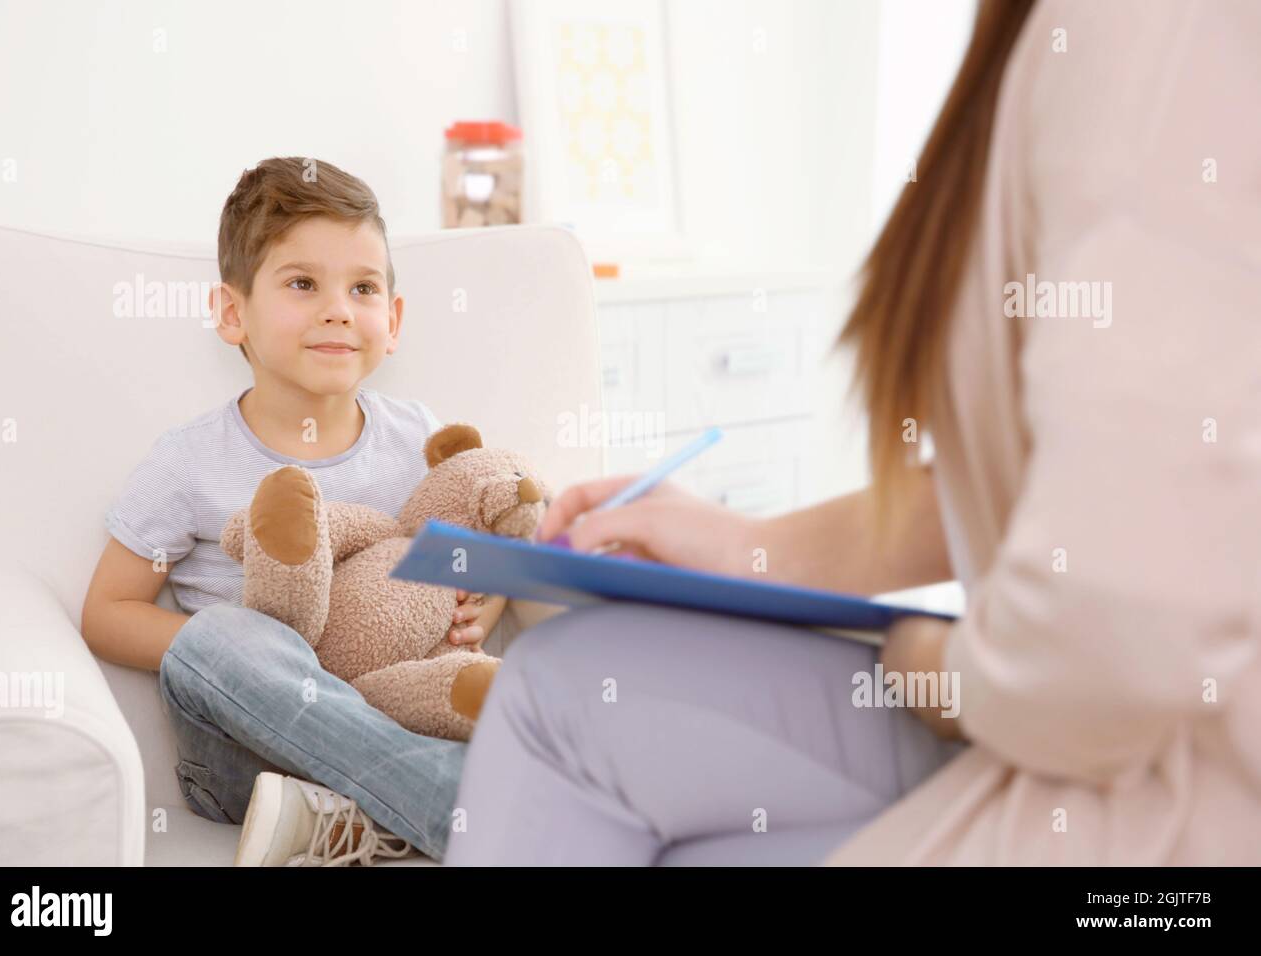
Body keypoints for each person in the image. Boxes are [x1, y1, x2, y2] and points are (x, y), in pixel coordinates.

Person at [444, 0, 1261, 865]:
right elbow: (1068, 479)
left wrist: (932, 660)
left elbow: (1116, 632)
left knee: (618, 770)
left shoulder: (1156, 32)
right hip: (1115, 744)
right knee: (563, 688)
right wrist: (754, 545)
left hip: (1180, 805)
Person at [81, 157, 504, 865]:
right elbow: (107, 610)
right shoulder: (190, 459)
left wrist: (479, 604)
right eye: (303, 284)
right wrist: (244, 662)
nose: (338, 308)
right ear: (232, 312)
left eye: (362, 288)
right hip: (246, 761)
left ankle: (360, 819)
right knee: (219, 634)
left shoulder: (413, 436)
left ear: (392, 321)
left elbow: (470, 539)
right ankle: (440, 800)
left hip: (395, 702)